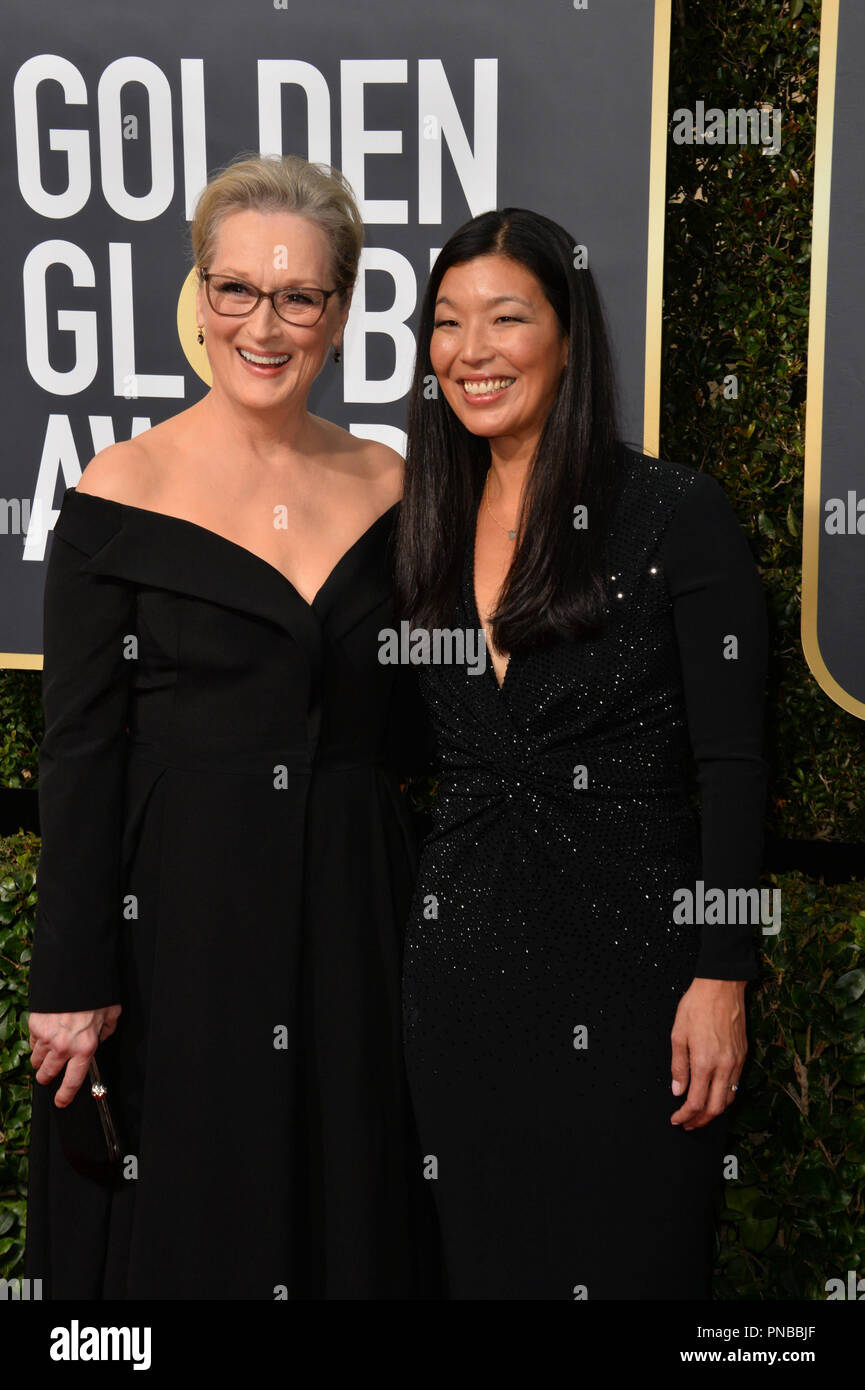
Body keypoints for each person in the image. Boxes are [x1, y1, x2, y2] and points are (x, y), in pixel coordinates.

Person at [26, 153, 438, 1299]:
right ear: (200, 299)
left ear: (341, 311)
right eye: (236, 290)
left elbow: (428, 719)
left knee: (344, 1198)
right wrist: (71, 972)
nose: (266, 323)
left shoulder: (392, 483)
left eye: (299, 295)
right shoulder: (120, 487)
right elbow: (79, 749)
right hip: (181, 924)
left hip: (354, 912)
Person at [395, 208, 768, 1300]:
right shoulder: (419, 525)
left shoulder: (671, 513)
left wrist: (724, 973)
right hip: (458, 989)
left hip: (639, 984)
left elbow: (735, 765)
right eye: (448, 322)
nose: (473, 350)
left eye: (506, 317)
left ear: (567, 335)